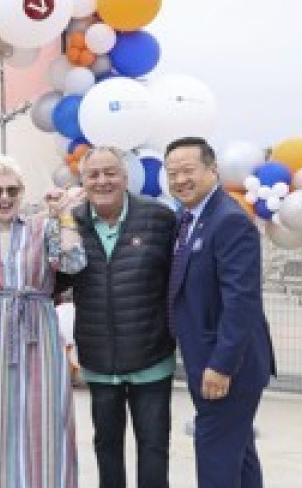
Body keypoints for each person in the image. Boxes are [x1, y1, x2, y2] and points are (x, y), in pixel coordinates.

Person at [56, 146, 178, 488]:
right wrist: (59, 221)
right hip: (98, 360)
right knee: (106, 446)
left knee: (153, 446)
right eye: (93, 175)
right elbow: (56, 280)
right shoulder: (73, 222)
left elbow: (178, 284)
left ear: (125, 177)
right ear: (82, 181)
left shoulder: (159, 218)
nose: (102, 180)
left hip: (151, 357)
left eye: (110, 172)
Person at [0, 155, 87, 488]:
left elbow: (73, 262)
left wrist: (63, 214)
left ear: (22, 192)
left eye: (12, 190)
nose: (4, 197)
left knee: (46, 416)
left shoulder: (42, 226)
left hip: (38, 329)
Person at [164, 137, 276, 488]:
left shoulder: (228, 220)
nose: (180, 180)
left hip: (228, 367)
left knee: (215, 457)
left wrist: (221, 365)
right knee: (237, 454)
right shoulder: (190, 219)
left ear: (212, 169)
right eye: (172, 173)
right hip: (208, 360)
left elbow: (241, 300)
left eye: (188, 170)